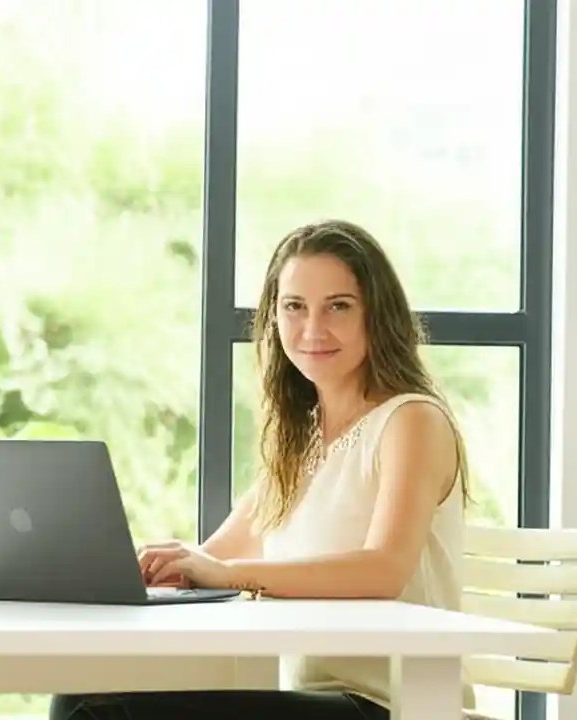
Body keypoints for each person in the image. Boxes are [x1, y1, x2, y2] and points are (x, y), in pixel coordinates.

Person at [50, 219, 474, 720]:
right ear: (273, 318)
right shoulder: (301, 437)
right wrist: (144, 567)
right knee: (82, 695)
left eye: (338, 306)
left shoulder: (411, 420)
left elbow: (383, 569)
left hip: (395, 706)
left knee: (103, 712)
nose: (312, 329)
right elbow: (214, 559)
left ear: (377, 317)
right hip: (319, 701)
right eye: (294, 307)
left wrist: (226, 573)